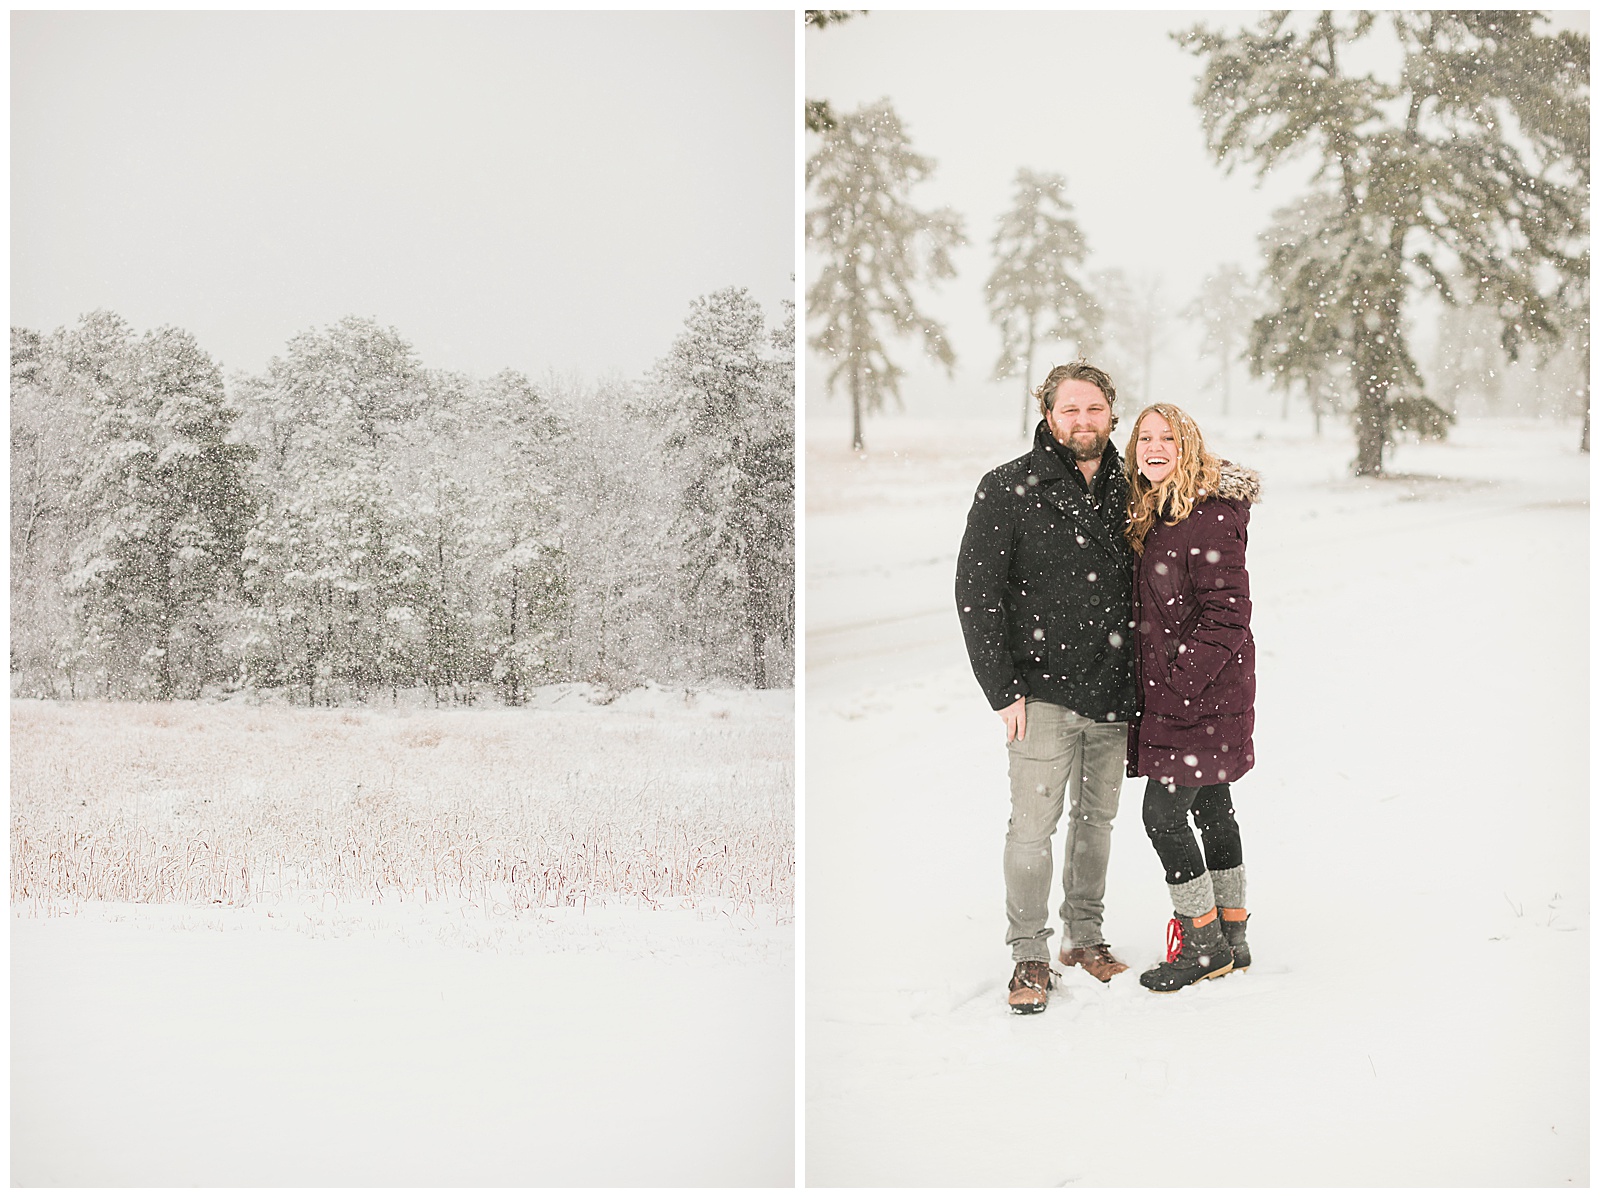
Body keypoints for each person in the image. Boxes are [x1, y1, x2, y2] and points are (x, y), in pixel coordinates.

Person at [956, 361, 1138, 1015]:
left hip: (1114, 686)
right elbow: (976, 594)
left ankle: (1083, 938)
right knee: (1032, 828)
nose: (1083, 421)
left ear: (1111, 412)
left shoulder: (1132, 486)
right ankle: (1029, 953)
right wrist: (1002, 689)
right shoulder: (1008, 487)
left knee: (1097, 820)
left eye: (1094, 409)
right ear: (1048, 414)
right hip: (1040, 690)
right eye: (1070, 409)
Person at [1122, 402, 1259, 992]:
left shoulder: (1209, 516)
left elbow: (1228, 615)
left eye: (1168, 438)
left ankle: (1202, 945)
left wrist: (1178, 684)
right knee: (1211, 807)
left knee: (1162, 815)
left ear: (1190, 447)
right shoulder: (1162, 509)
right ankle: (1231, 934)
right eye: (1145, 438)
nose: (1155, 447)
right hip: (1197, 695)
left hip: (1199, 698)